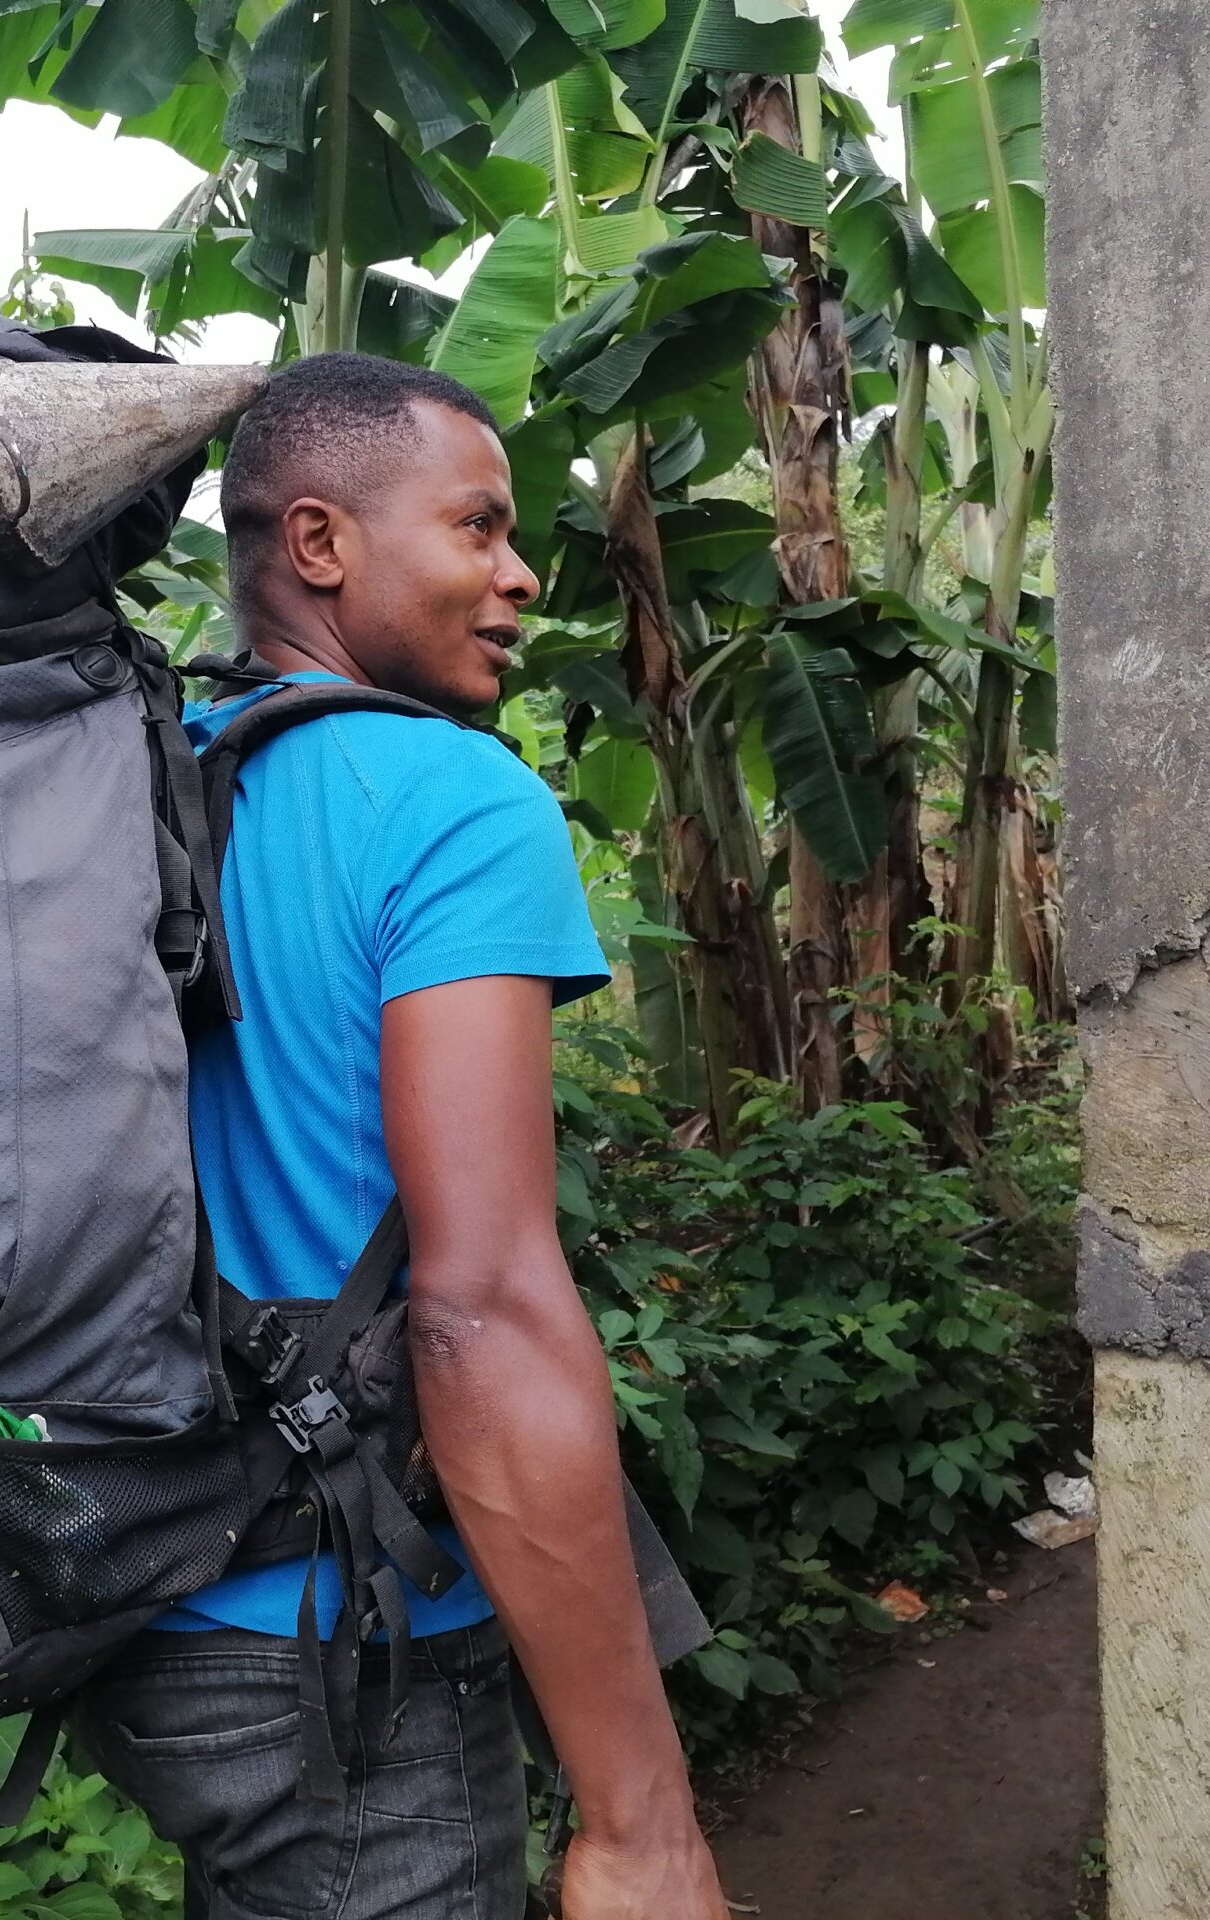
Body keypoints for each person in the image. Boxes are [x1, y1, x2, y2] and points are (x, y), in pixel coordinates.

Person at [69, 354, 729, 1920]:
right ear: (319, 543)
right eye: (479, 527)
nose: (518, 577)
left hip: (142, 1605)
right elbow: (479, 1309)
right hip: (343, 1651)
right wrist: (645, 1828)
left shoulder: (144, 779)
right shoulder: (446, 799)